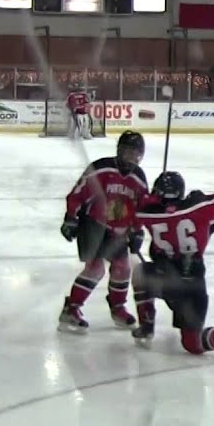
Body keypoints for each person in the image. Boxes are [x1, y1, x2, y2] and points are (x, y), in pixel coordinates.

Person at [130, 172, 214, 361]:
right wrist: (201, 198)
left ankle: (146, 326)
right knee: (192, 344)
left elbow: (137, 207)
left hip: (167, 279)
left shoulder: (147, 213)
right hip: (192, 284)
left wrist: (152, 200)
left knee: (141, 274)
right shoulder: (198, 210)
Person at [58, 131, 149, 332]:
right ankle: (71, 309)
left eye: (135, 154)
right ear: (119, 151)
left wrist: (137, 230)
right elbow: (77, 193)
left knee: (123, 268)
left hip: (118, 230)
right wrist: (71, 218)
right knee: (95, 269)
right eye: (127, 152)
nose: (131, 158)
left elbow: (141, 207)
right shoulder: (101, 169)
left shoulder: (139, 178)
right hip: (94, 225)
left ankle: (118, 307)